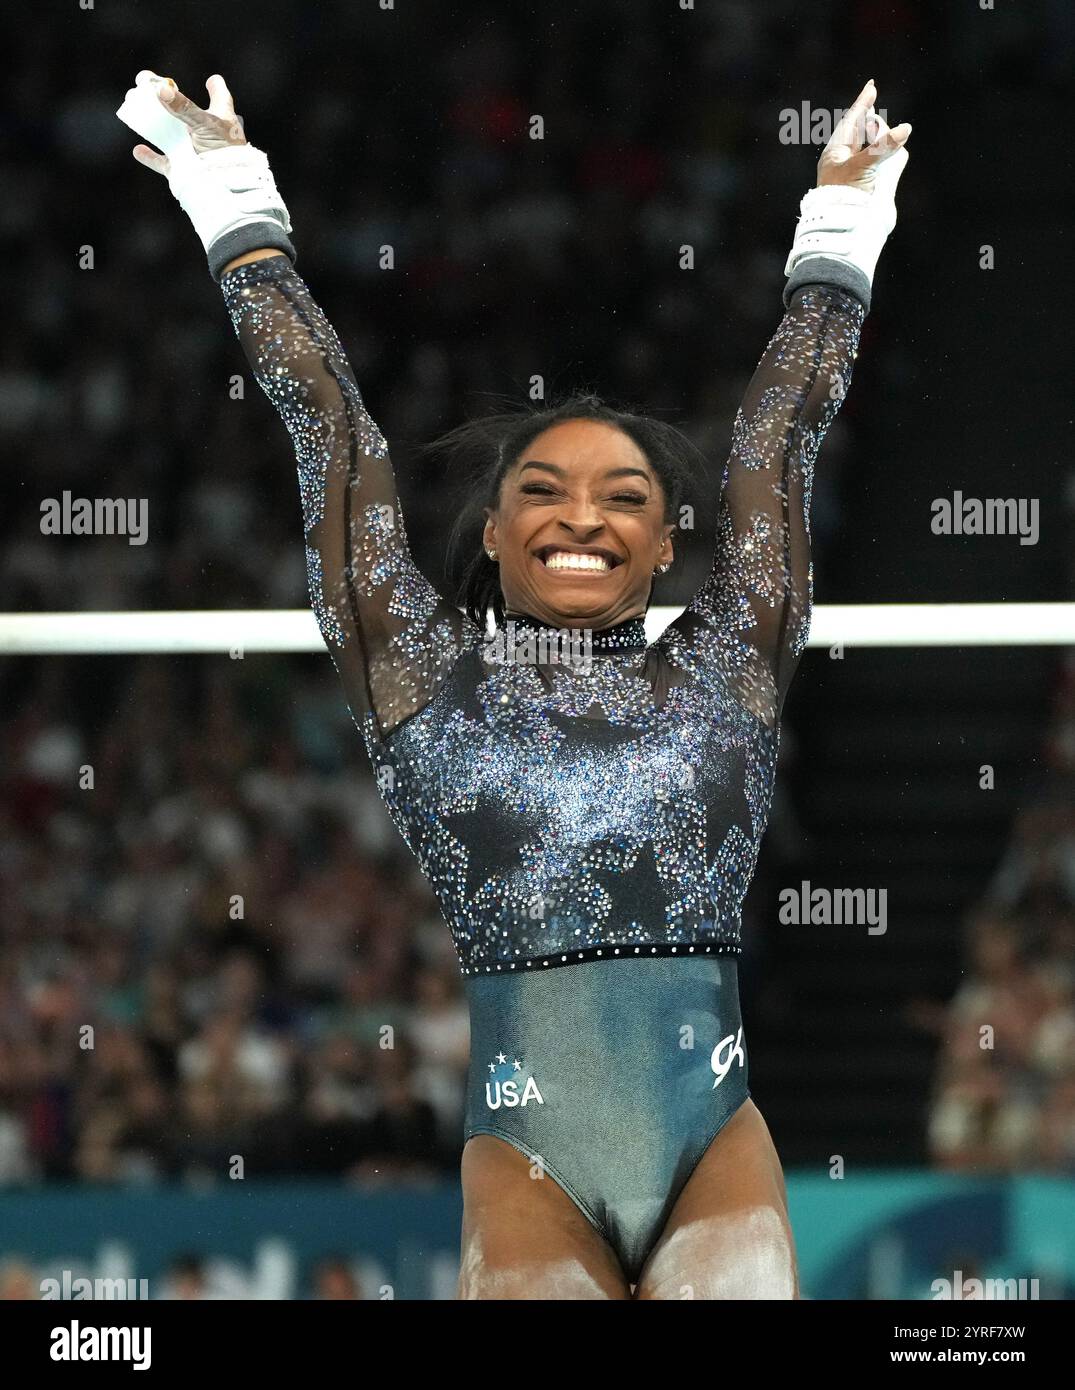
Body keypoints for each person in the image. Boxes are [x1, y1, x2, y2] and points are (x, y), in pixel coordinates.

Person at [121, 69, 910, 1299]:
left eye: (626, 499)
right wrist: (234, 204)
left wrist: (843, 226)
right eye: (539, 490)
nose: (581, 515)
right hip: (528, 1153)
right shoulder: (419, 677)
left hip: (715, 1142)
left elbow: (779, 435)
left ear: (666, 546)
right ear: (489, 535)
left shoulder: (730, 661)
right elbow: (331, 427)